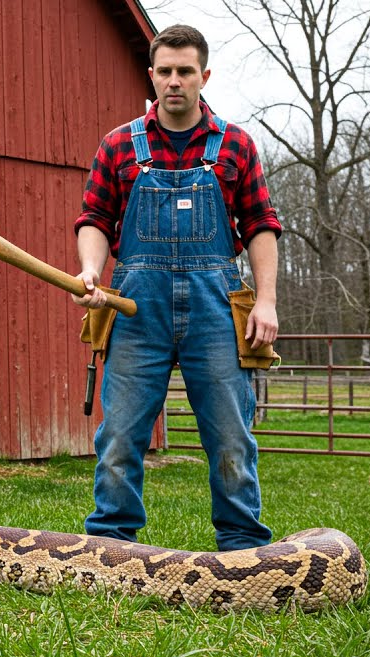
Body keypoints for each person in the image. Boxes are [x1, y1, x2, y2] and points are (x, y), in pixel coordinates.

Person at [71, 24, 282, 551]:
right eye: (164, 71)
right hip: (136, 308)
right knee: (120, 434)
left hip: (215, 308)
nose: (174, 81)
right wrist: (92, 271)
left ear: (203, 76)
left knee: (231, 434)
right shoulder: (120, 144)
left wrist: (268, 301)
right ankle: (111, 545)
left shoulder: (235, 144)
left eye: (185, 71)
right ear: (151, 76)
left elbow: (260, 225)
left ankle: (242, 548)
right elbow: (95, 217)